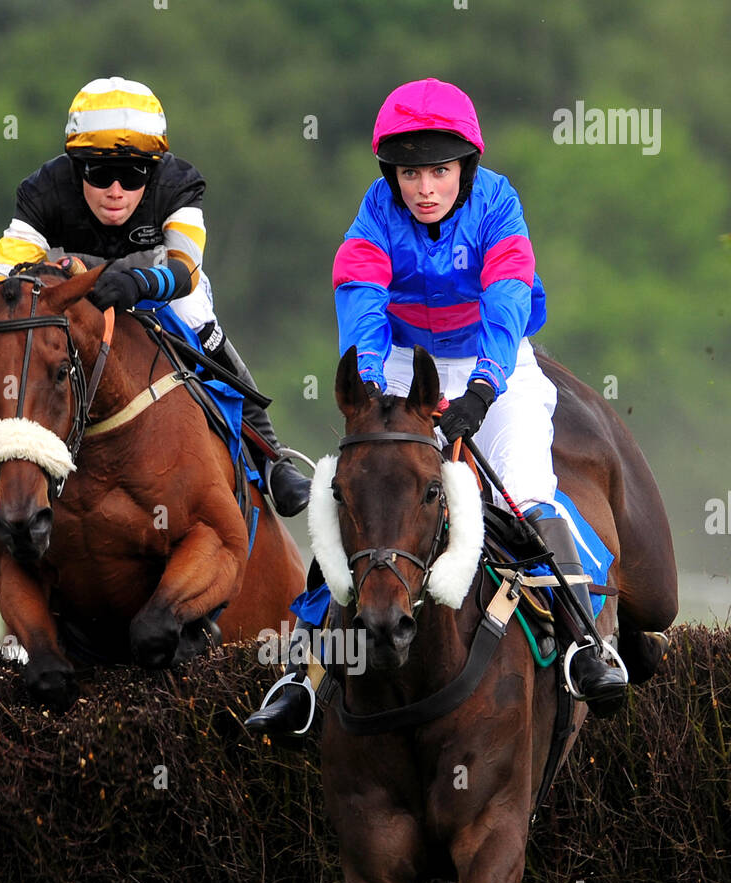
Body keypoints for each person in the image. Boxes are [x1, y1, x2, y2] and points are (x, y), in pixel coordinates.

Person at [246, 76, 627, 736]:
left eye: (439, 172)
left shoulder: (499, 206)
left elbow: (507, 304)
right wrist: (371, 395)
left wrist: (480, 390)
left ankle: (585, 647)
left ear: (466, 168)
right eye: (409, 173)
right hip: (399, 360)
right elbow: (361, 311)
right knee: (357, 497)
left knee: (528, 493)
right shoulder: (371, 220)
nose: (424, 188)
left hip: (491, 353)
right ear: (390, 175)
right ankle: (303, 675)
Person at [0, 76, 310, 545]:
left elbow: (186, 268)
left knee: (200, 318)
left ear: (154, 169)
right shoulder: (43, 187)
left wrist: (134, 282)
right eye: (98, 172)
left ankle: (271, 460)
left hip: (160, 284)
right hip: (75, 294)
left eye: (133, 175)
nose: (116, 189)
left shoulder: (179, 183)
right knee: (5, 345)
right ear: (76, 169)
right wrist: (23, 296)